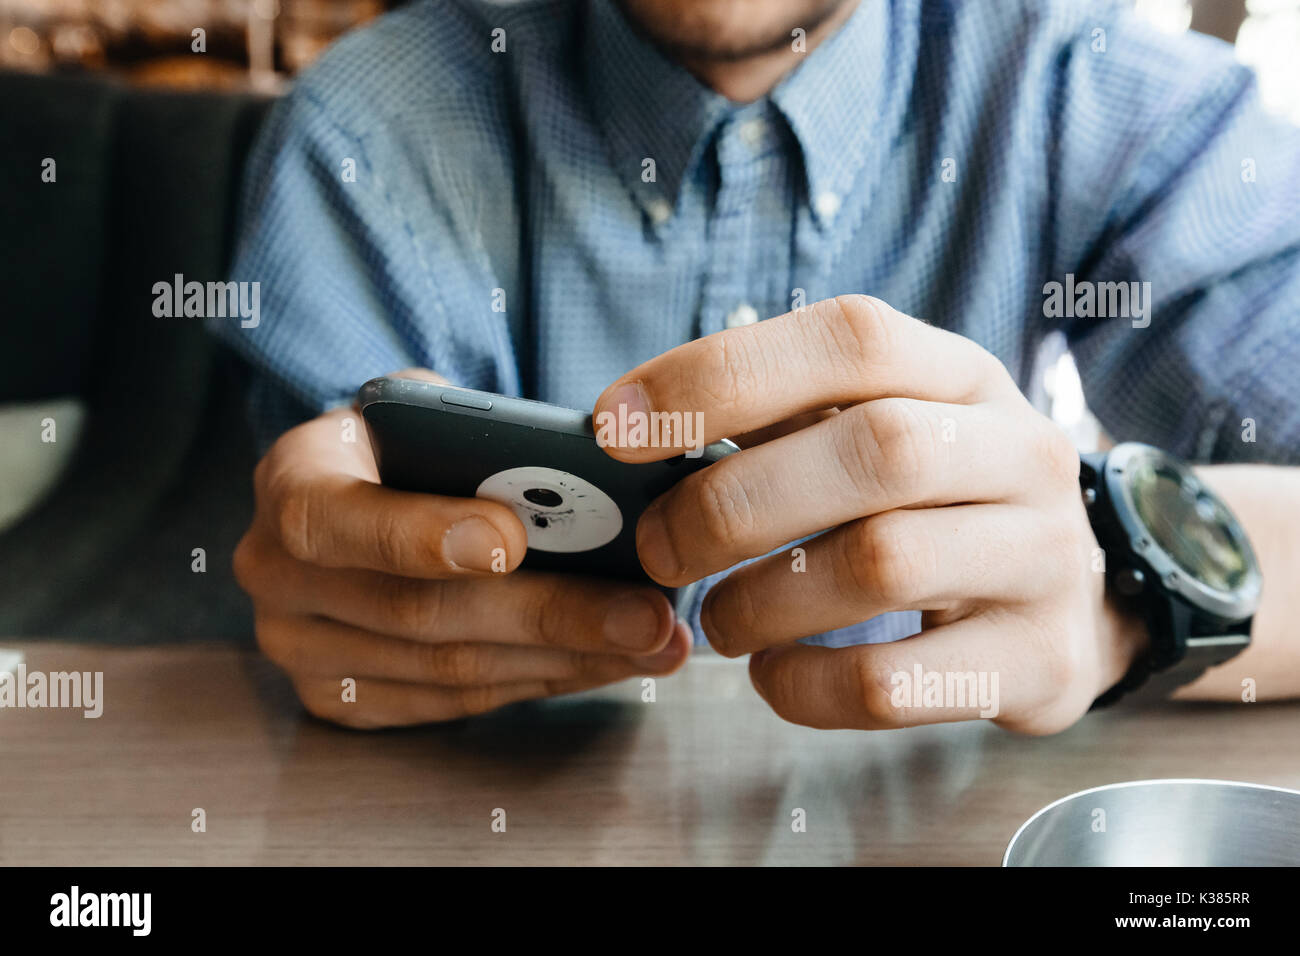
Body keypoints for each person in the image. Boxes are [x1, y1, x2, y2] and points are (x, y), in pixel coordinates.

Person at [212, 0, 1300, 732]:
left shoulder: (1106, 94)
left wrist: (1118, 594)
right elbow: (330, 602)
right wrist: (337, 618)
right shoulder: (367, 130)